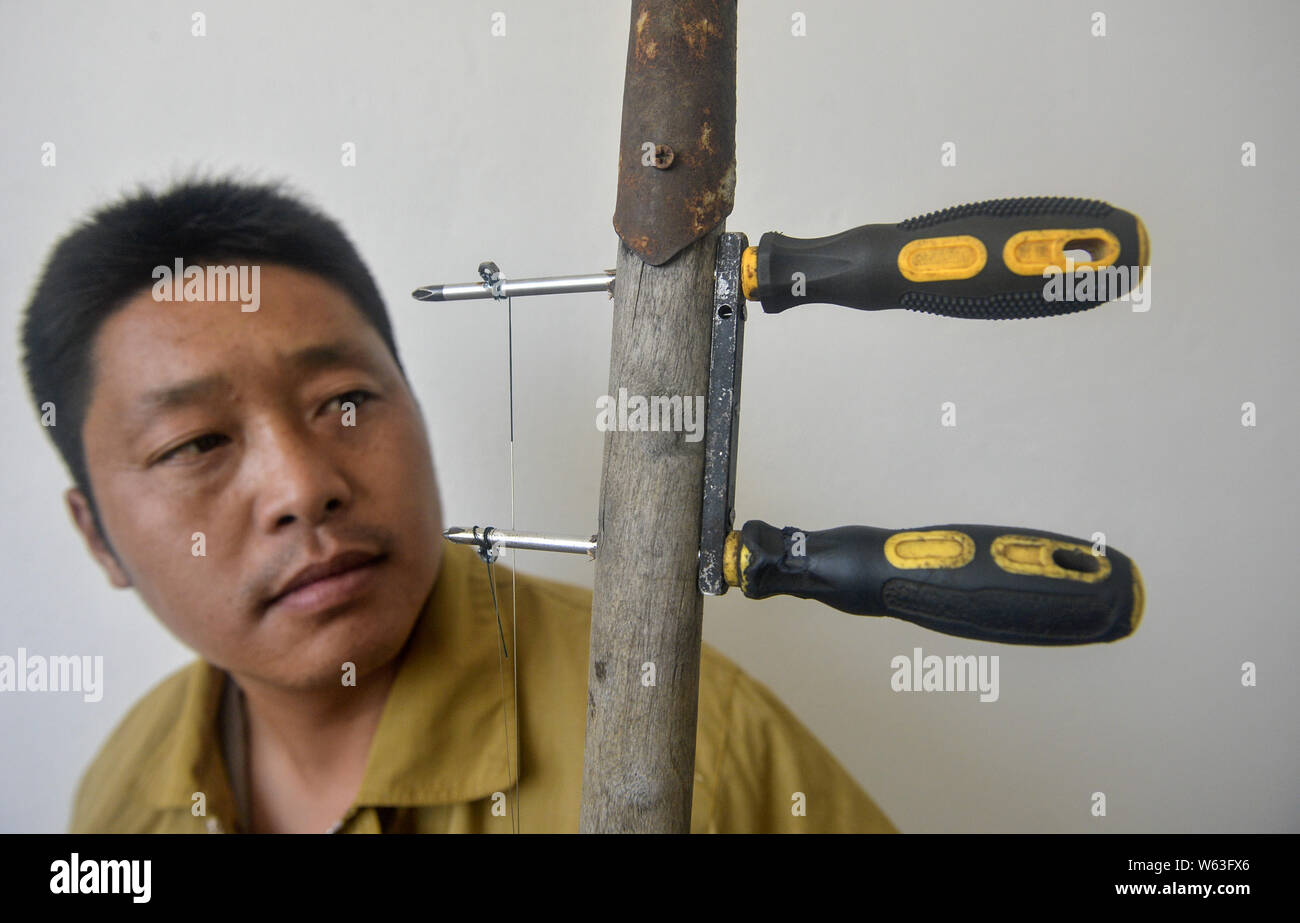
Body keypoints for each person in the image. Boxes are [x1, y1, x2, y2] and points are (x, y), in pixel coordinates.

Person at [19, 175, 897, 834]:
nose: (302, 486)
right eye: (196, 444)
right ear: (97, 537)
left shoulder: (697, 749)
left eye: (345, 401)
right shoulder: (122, 795)